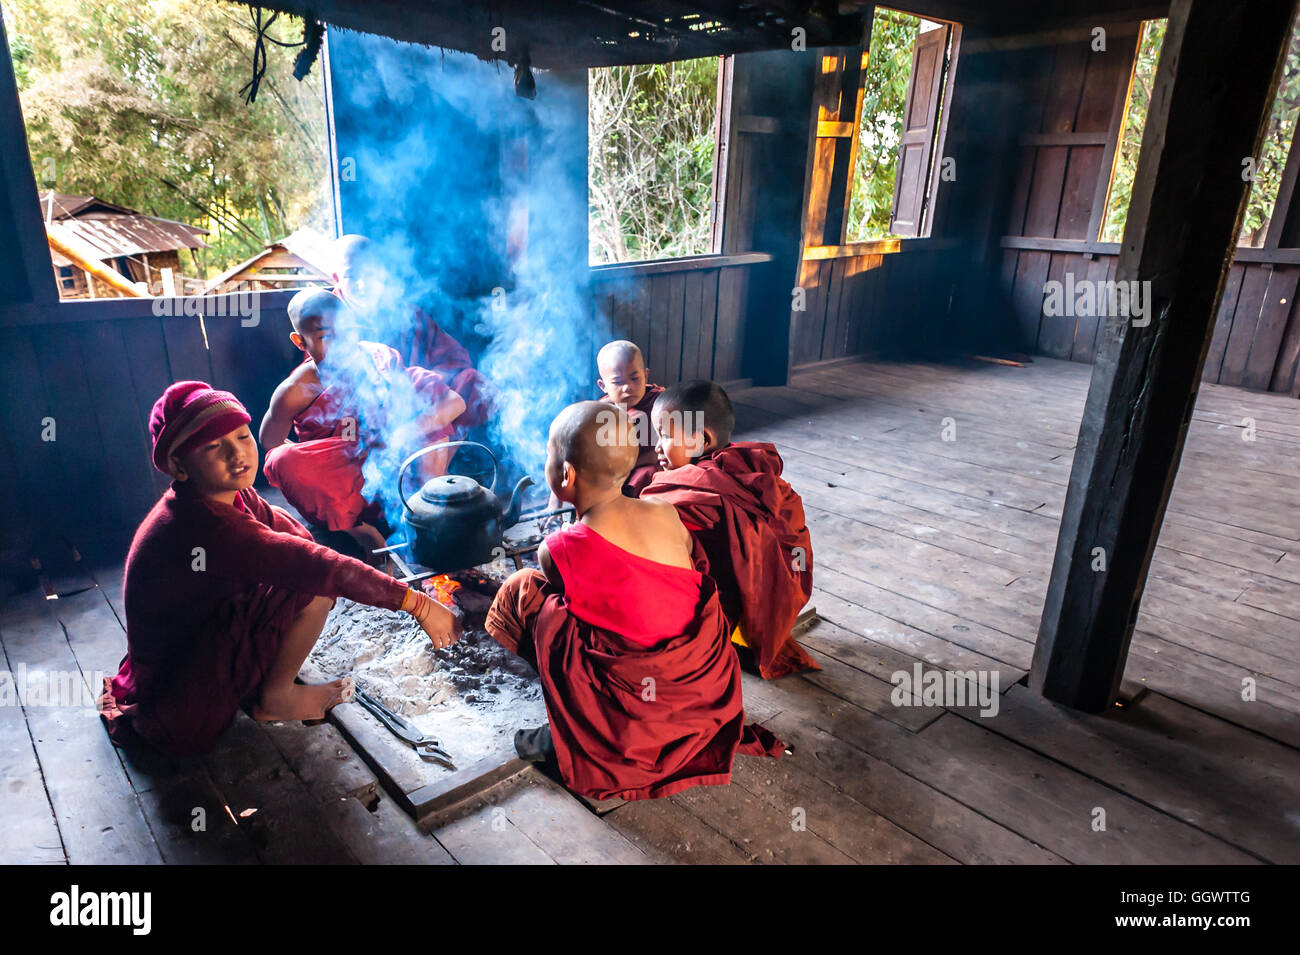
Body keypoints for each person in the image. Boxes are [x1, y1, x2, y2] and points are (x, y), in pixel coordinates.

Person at [98, 381, 457, 757]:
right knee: (313, 589)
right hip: (182, 692)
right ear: (177, 465)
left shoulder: (231, 496)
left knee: (300, 560)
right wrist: (418, 604)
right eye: (213, 446)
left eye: (241, 437)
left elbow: (296, 541)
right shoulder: (204, 526)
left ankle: (269, 683)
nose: (237, 454)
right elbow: (312, 565)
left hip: (198, 636)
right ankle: (276, 698)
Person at [485, 401, 784, 801]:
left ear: (566, 474)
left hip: (633, 695)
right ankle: (613, 714)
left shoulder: (558, 547)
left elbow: (578, 605)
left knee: (524, 589)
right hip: (699, 680)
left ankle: (575, 729)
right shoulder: (663, 509)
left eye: (548, 456)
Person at [261, 289, 464, 556]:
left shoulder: (380, 360)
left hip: (395, 468)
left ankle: (427, 514)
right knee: (282, 461)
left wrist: (401, 434)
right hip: (345, 484)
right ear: (300, 342)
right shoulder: (296, 390)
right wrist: (320, 465)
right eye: (326, 337)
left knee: (427, 406)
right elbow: (269, 442)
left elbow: (455, 402)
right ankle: (363, 533)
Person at [642, 380, 819, 680]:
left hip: (723, 613)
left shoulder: (694, 493)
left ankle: (719, 640)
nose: (657, 446)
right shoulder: (752, 469)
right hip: (773, 605)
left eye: (667, 435)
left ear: (703, 440)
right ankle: (745, 636)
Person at [332, 234, 493, 430]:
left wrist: (426, 386)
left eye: (369, 274)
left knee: (472, 383)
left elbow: (454, 358)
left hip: (419, 404)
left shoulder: (402, 311)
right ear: (336, 278)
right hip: (371, 411)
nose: (363, 285)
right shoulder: (326, 319)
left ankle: (436, 448)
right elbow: (327, 386)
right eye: (351, 275)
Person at [595, 340, 663, 496]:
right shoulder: (602, 409)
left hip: (650, 463)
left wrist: (624, 467)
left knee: (646, 475)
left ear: (645, 376)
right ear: (603, 386)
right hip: (615, 466)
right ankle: (554, 510)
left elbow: (657, 454)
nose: (627, 387)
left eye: (634, 378)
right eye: (617, 382)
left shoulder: (660, 403)